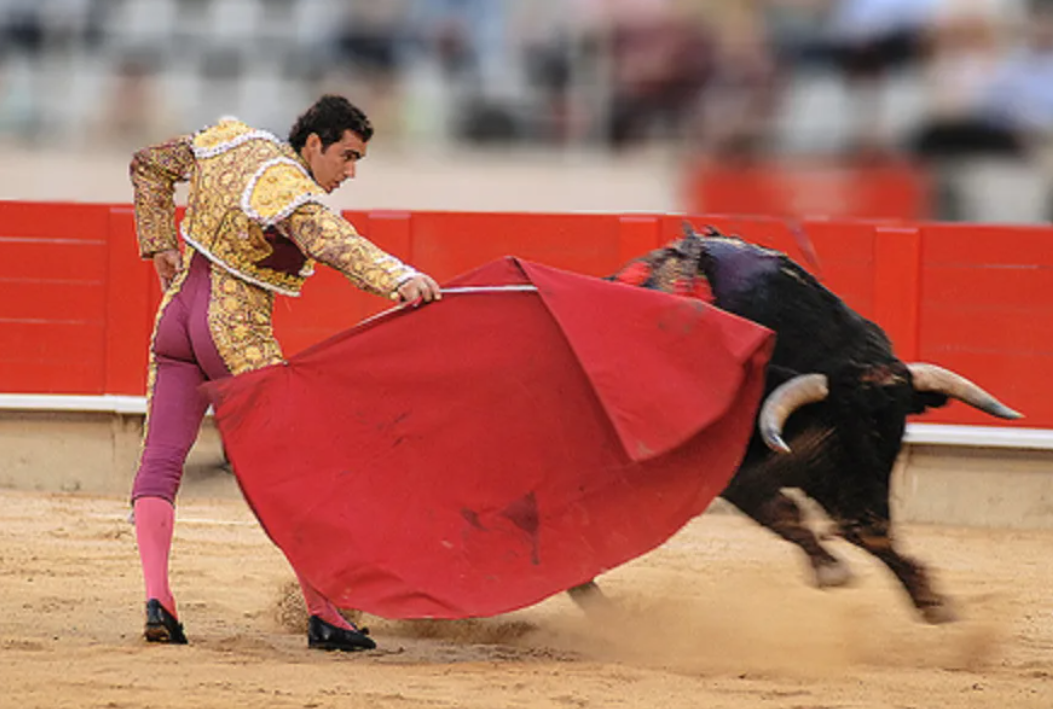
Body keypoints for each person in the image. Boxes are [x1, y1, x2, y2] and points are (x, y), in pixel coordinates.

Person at [128, 94, 441, 652]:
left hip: (174, 320)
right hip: (235, 330)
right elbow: (334, 241)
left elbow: (147, 164)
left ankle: (160, 603)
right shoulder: (287, 187)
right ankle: (324, 615)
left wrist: (159, 248)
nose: (349, 172)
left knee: (159, 463)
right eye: (346, 157)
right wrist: (402, 278)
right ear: (313, 142)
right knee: (294, 473)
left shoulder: (229, 139)